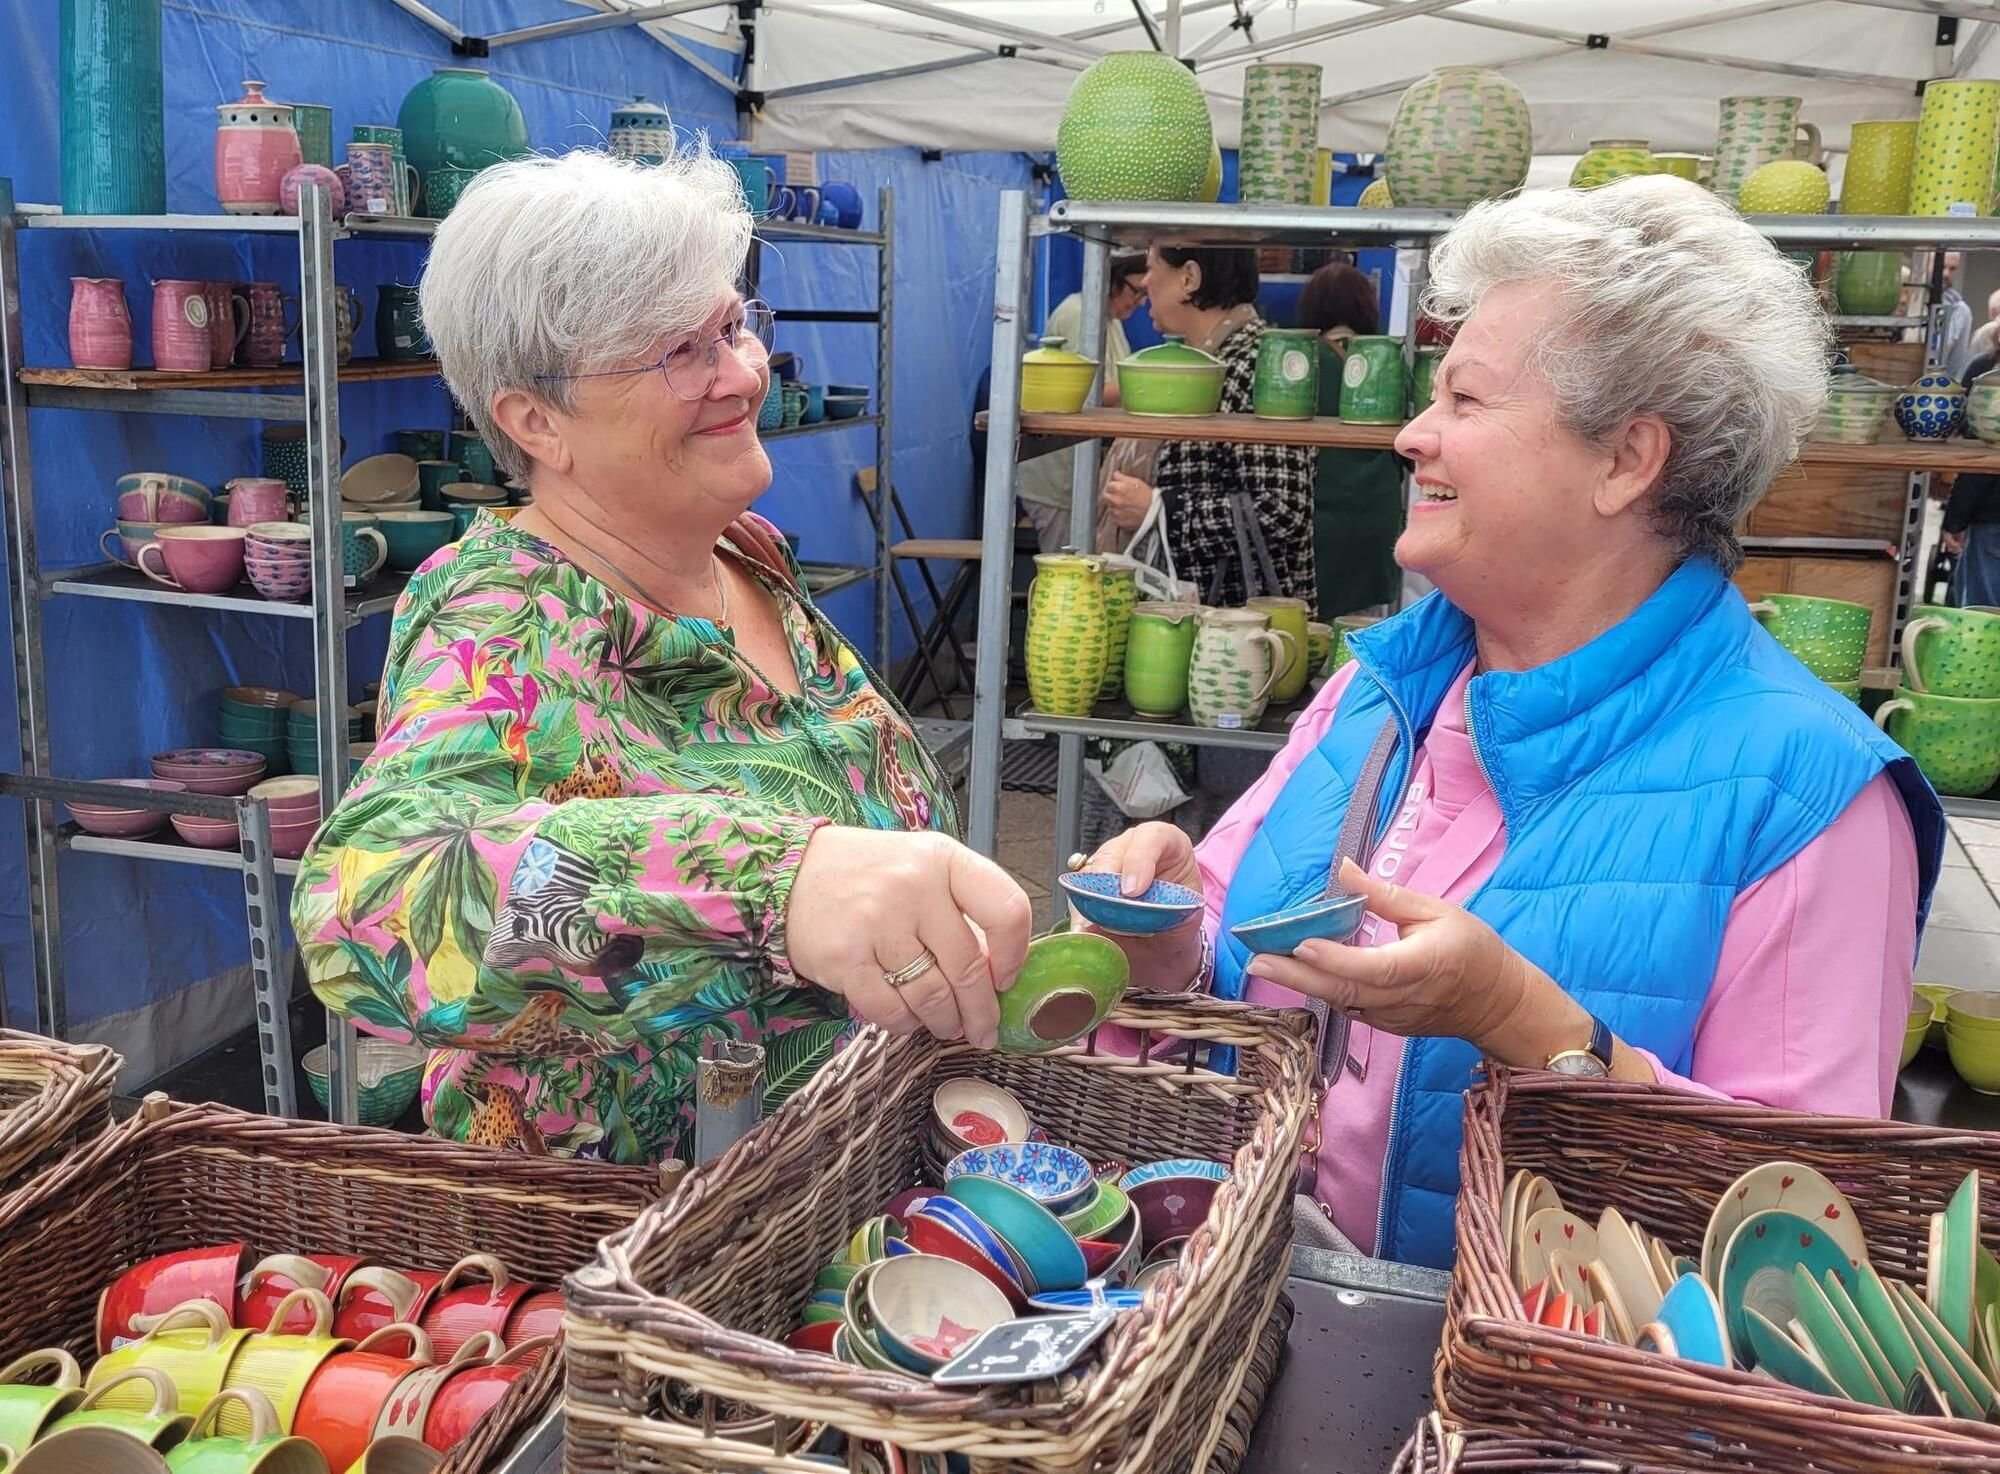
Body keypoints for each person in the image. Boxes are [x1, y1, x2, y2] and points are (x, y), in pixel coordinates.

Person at [1079, 177, 1943, 1269]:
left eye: (1466, 400)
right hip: (1241, 1312)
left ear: (1626, 460)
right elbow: (1221, 949)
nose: (1412, 435)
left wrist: (1525, 1026)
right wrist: (1165, 937)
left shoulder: (1808, 792)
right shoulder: (1385, 685)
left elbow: (1808, 1243)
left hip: (1505, 1370)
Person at [292, 150, 1033, 1162]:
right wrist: (775, 880)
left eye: (732, 326)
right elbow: (371, 896)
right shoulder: (506, 614)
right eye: (679, 352)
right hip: (634, 1240)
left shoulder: (742, 554)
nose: (743, 374)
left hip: (852, 1198)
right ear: (535, 421)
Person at [1100, 246, 1316, 608]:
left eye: (1153, 268)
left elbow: (1282, 510)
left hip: (1236, 622)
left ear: (1190, 278)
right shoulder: (1210, 359)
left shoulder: (1253, 362)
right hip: (1203, 615)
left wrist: (1161, 509)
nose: (1146, 281)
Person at [1016, 254, 1148, 553]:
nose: (1140, 302)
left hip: (1080, 472)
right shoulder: (1079, 315)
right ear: (1113, 279)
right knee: (1067, 568)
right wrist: (1148, 382)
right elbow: (1088, 394)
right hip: (1059, 477)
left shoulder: (1110, 319)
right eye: (1137, 291)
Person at [1297, 263, 1404, 616]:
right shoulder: (1387, 361)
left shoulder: (1305, 361)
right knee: (1363, 629)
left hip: (1321, 517)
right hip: (1377, 518)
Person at [1945, 350, 2000, 606]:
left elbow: (1981, 463)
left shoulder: (1993, 391)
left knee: (1984, 612)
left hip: (1993, 521)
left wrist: (1955, 521)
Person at [1941, 250, 1976, 380]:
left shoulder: (1960, 312)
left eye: (1952, 269)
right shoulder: (1907, 300)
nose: (1946, 274)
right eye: (1942, 266)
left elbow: (1954, 367)